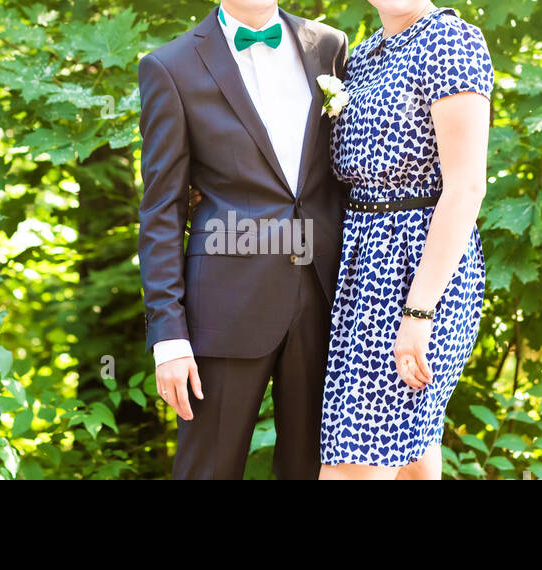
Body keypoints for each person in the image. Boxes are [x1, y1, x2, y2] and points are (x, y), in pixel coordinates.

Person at [137, 0, 349, 479]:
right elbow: (162, 210)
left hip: (328, 297)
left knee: (314, 470)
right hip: (223, 307)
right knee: (207, 470)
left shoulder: (330, 47)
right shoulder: (169, 67)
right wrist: (168, 335)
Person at [318, 1, 494, 480]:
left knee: (354, 464)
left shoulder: (450, 41)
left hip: (416, 269)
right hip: (361, 269)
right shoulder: (363, 54)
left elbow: (466, 186)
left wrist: (419, 312)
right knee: (412, 454)